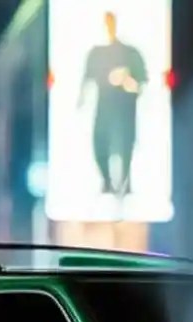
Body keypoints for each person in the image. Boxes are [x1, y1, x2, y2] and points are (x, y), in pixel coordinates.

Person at [78, 11, 148, 196]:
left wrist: (126, 81)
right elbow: (87, 78)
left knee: (126, 144)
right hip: (104, 108)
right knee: (100, 143)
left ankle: (126, 182)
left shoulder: (130, 53)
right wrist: (81, 99)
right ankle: (107, 182)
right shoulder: (97, 54)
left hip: (125, 108)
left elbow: (141, 83)